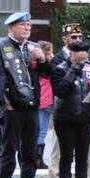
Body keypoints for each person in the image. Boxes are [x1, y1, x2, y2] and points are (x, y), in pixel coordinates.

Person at [0, 12, 54, 178]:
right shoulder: (2, 46)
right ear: (11, 27)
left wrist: (42, 59)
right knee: (8, 151)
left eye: (28, 25)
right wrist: (5, 103)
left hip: (32, 106)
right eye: (22, 25)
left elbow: (49, 74)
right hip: (11, 107)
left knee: (29, 152)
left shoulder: (33, 48)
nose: (26, 28)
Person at [50, 40, 90, 178]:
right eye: (79, 57)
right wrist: (73, 70)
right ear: (71, 55)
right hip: (65, 118)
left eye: (85, 57)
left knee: (82, 156)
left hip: (86, 116)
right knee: (66, 156)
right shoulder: (60, 68)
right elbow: (60, 91)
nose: (83, 61)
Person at [36, 39, 55, 170]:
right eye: (49, 53)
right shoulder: (44, 68)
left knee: (41, 130)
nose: (52, 55)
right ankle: (37, 159)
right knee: (41, 131)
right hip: (44, 101)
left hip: (44, 100)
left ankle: (38, 159)